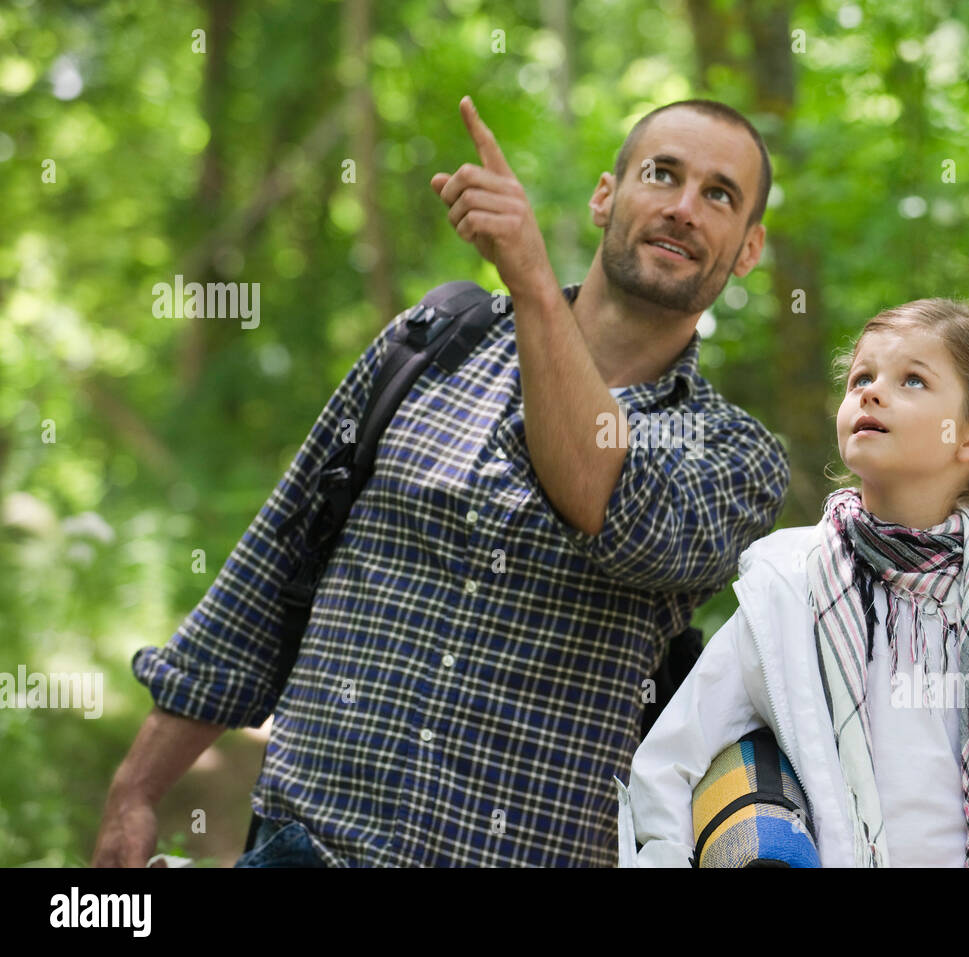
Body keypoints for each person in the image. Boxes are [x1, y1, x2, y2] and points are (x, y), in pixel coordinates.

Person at [92, 96, 790, 868]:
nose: (684, 207)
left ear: (748, 248)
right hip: (303, 842)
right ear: (605, 196)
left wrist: (529, 283)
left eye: (719, 194)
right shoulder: (429, 347)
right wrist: (135, 789)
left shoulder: (734, 455)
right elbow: (269, 569)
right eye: (662, 174)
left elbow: (613, 504)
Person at [617, 298, 969, 867]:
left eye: (912, 380)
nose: (871, 392)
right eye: (862, 377)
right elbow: (670, 762)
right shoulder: (788, 586)